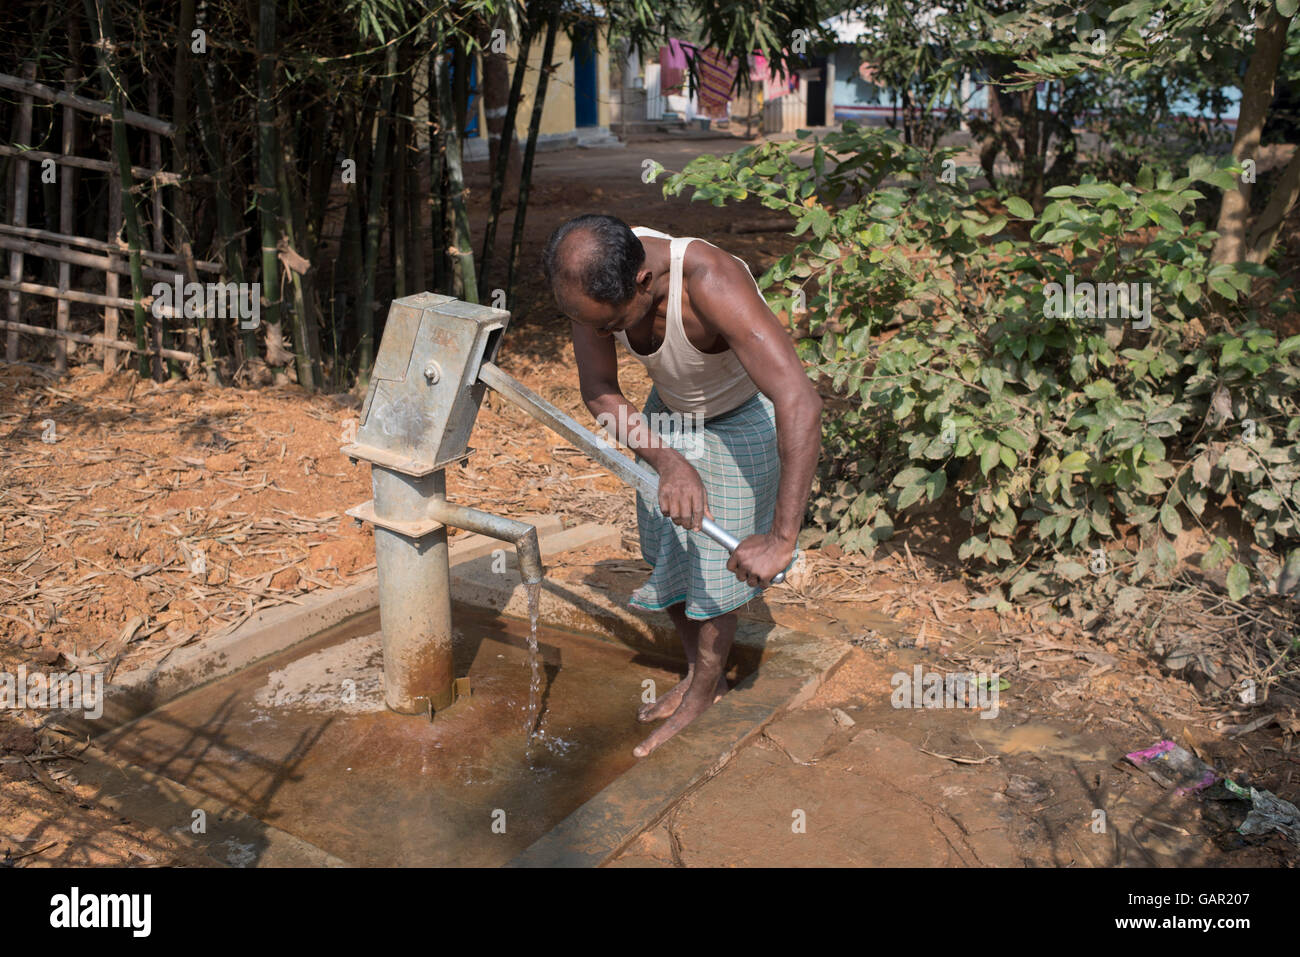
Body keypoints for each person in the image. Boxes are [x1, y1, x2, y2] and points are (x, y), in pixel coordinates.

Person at [542, 214, 823, 757]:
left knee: (720, 572)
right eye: (590, 324)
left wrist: (783, 539)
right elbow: (599, 389)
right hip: (668, 417)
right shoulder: (590, 278)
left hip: (739, 416)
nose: (602, 334)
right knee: (668, 548)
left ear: (643, 283)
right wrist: (668, 461)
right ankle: (704, 675)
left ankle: (702, 692)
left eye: (610, 325)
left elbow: (799, 400)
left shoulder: (710, 281)